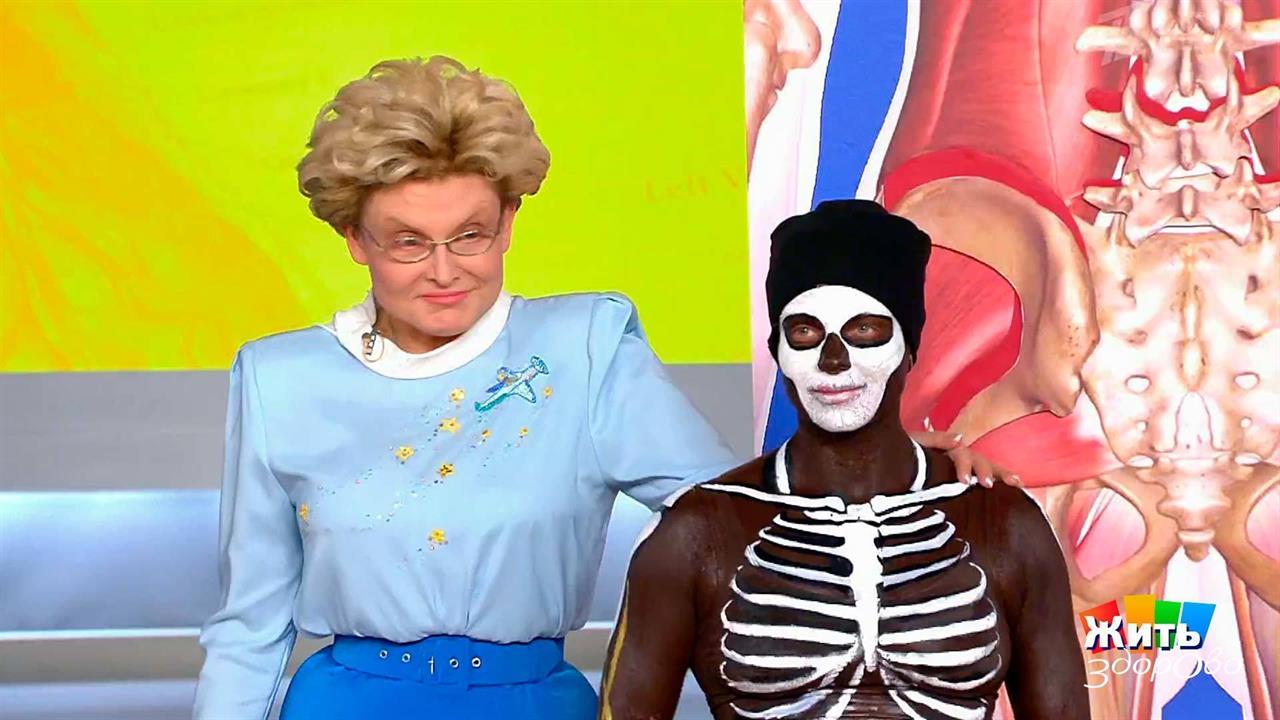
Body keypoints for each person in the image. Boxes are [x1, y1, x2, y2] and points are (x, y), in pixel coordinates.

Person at [192, 56, 1013, 720]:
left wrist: (893, 464)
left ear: (509, 221)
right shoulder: (281, 376)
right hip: (345, 706)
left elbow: (733, 506)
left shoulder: (581, 346)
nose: (444, 270)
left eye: (470, 235)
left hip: (533, 704)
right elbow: (250, 623)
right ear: (352, 237)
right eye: (408, 242)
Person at [598, 201, 1086, 720]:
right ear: (778, 351)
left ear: (909, 349)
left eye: (865, 331)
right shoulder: (694, 534)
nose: (833, 360)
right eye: (805, 333)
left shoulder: (1004, 524)